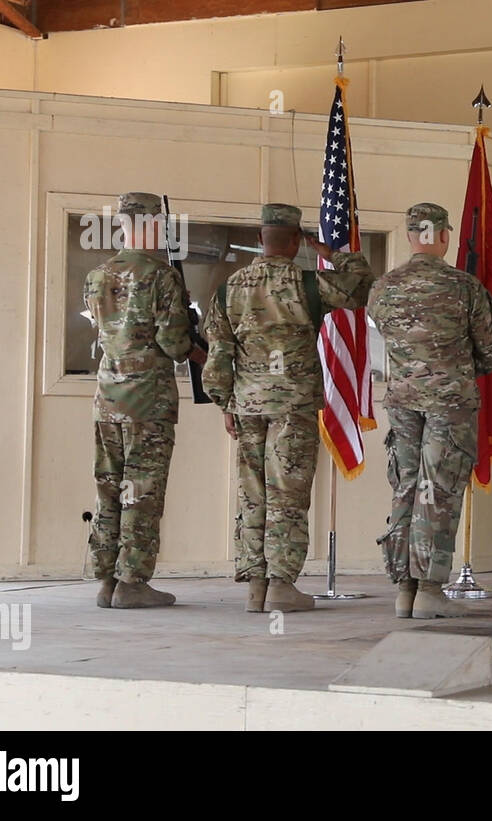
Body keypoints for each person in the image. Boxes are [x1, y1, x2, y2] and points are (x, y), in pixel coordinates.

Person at [202, 203, 375, 613]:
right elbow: (361, 284)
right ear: (297, 241)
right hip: (293, 404)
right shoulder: (310, 283)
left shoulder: (231, 287)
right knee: (288, 493)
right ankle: (281, 585)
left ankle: (255, 587)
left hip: (247, 404)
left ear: (261, 239)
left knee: (253, 493)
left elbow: (218, 354)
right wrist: (332, 253)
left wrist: (225, 401)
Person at [368, 203, 492, 619]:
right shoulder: (464, 287)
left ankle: (403, 591)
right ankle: (428, 590)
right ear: (443, 235)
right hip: (450, 401)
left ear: (411, 236)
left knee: (408, 486)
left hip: (403, 401)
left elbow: (384, 341)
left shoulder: (383, 287)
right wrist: (453, 369)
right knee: (438, 489)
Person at [84, 192, 205, 608]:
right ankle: (132, 582)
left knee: (109, 488)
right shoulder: (161, 276)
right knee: (142, 490)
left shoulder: (98, 274)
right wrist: (200, 349)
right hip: (147, 401)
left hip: (107, 398)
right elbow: (173, 343)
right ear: (155, 224)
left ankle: (106, 580)